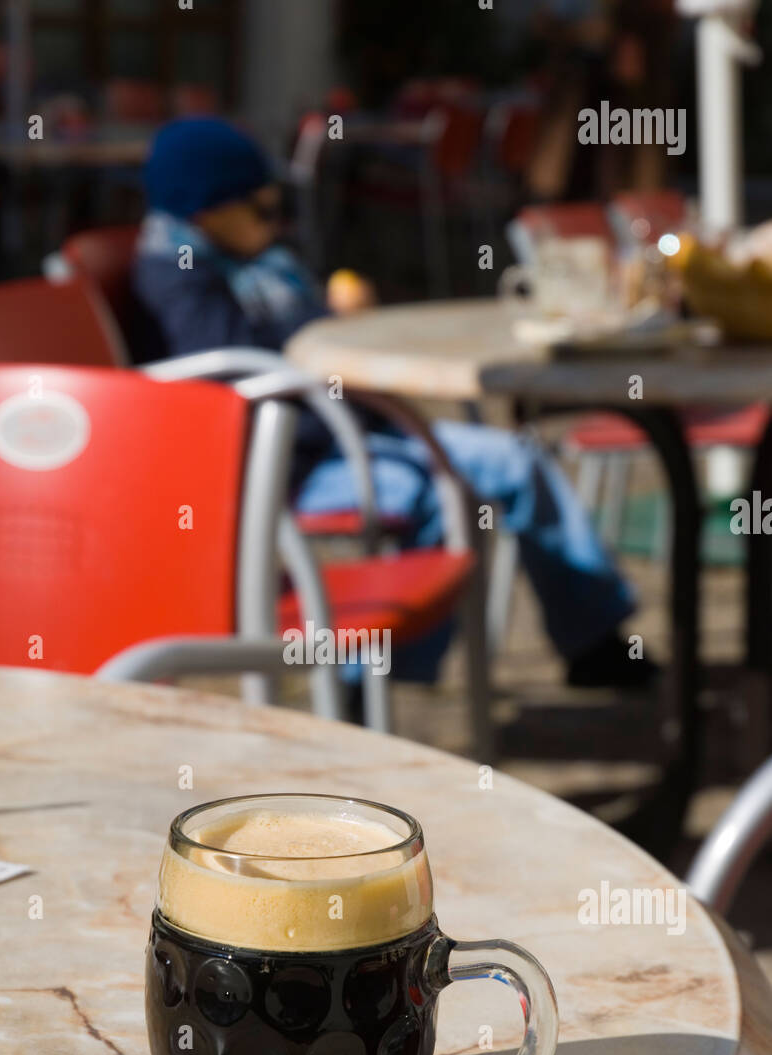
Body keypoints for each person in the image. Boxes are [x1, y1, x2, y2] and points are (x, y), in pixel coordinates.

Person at [133, 117, 655, 690]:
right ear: (206, 212)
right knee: (443, 492)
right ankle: (371, 683)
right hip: (285, 463)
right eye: (261, 209)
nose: (276, 222)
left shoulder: (259, 265)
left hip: (349, 434)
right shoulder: (176, 275)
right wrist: (334, 340)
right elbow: (237, 372)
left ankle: (592, 640)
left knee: (516, 460)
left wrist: (340, 326)